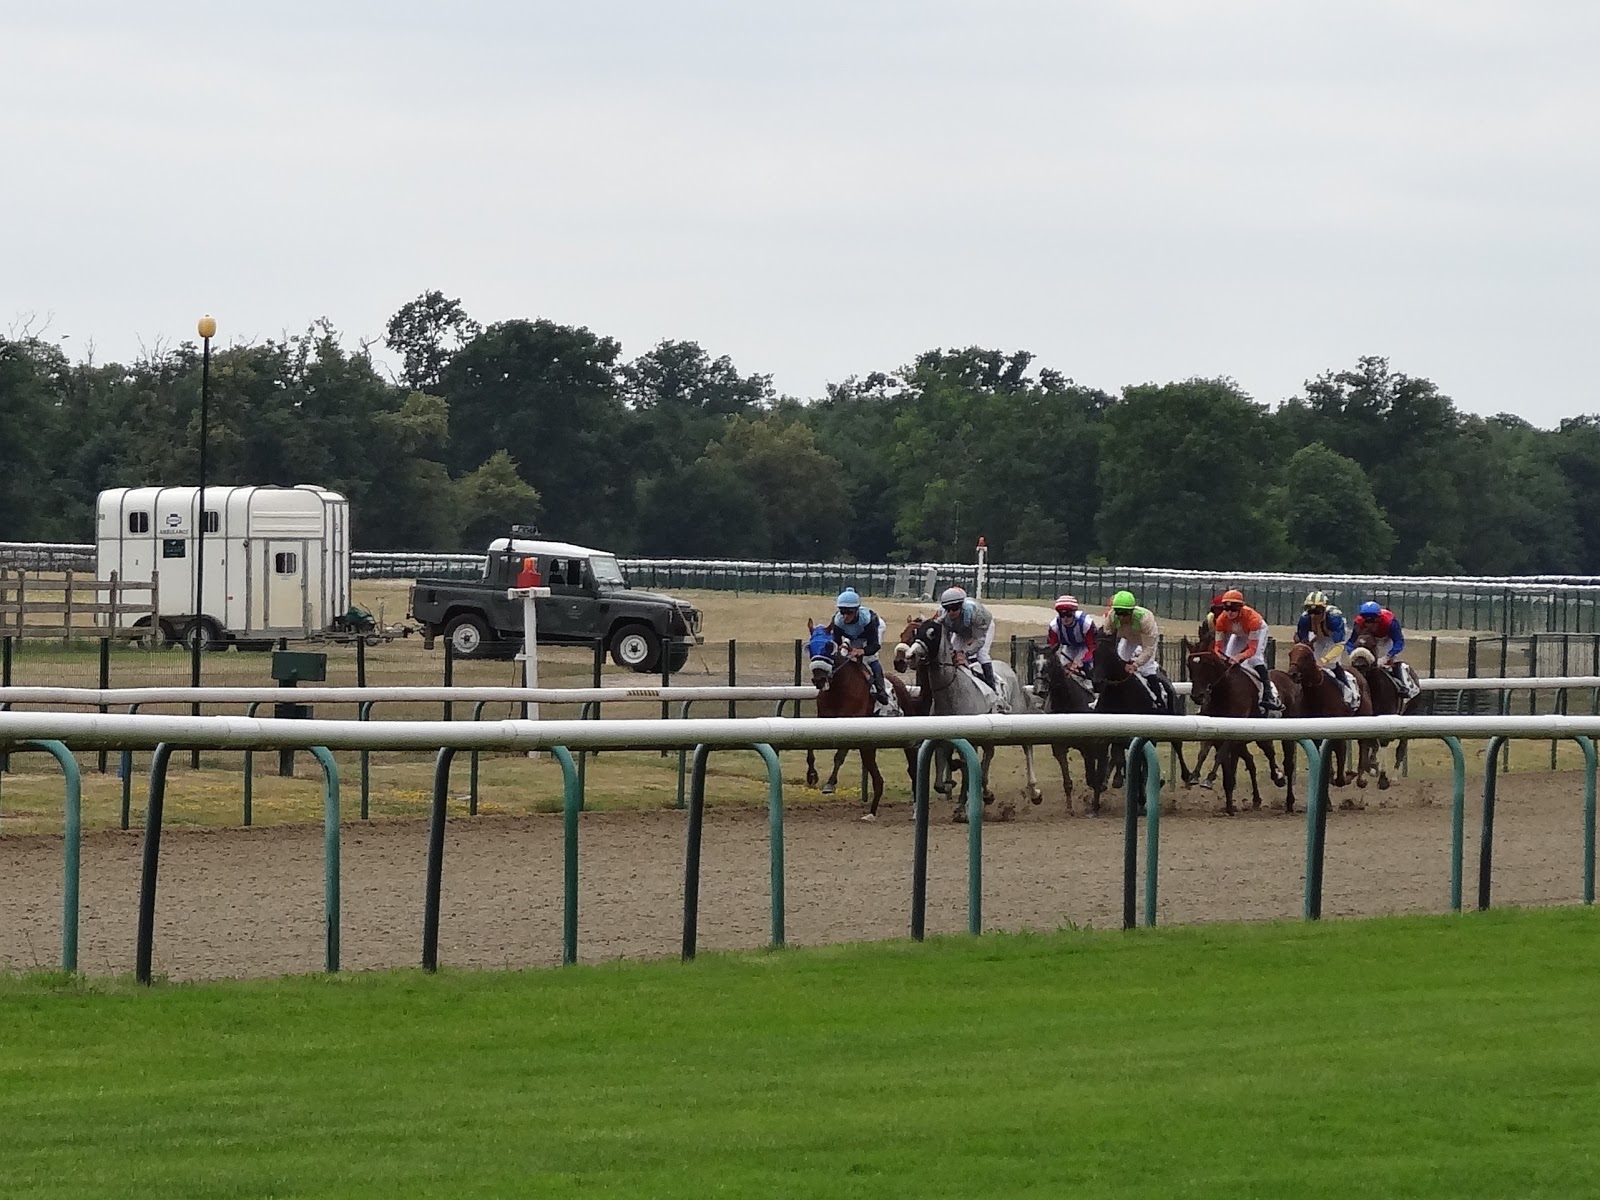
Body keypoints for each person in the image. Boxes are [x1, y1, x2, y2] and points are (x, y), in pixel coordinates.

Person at [1100, 589, 1177, 711]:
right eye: (1118, 612)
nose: (1121, 616)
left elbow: (1148, 649)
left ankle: (1159, 699)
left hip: (1145, 640)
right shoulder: (1111, 617)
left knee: (1147, 668)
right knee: (1119, 664)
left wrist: (1135, 665)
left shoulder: (1144, 619)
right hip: (1127, 638)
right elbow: (1107, 640)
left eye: (1125, 613)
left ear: (1132, 611)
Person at [1211, 589, 1281, 715]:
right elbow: (1218, 647)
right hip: (1239, 633)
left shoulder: (1253, 619)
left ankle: (1269, 693)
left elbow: (1252, 649)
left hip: (1256, 630)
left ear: (1240, 608)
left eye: (1233, 609)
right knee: (1227, 657)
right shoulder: (1221, 620)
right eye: (1226, 609)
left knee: (1255, 659)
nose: (1229, 613)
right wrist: (1222, 657)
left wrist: (1240, 656)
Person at [828, 588, 892, 710]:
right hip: (853, 635)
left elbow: (874, 645)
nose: (845, 617)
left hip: (872, 632)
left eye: (849, 613)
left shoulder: (869, 620)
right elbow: (836, 642)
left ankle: (881, 691)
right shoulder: (837, 621)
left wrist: (862, 651)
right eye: (842, 612)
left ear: (857, 610)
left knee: (870, 658)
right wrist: (843, 646)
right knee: (844, 655)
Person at [1295, 591, 1359, 710]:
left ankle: (1348, 692)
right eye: (1310, 611)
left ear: (1324, 610)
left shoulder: (1334, 618)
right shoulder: (1304, 618)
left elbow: (1339, 646)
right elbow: (1302, 641)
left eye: (1317, 611)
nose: (1313, 615)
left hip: (1333, 637)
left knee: (1331, 664)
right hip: (1317, 635)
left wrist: (1324, 660)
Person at [937, 585, 998, 692]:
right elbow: (944, 636)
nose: (951, 612)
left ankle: (992, 686)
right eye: (947, 609)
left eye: (954, 608)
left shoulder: (978, 614)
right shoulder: (942, 614)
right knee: (954, 655)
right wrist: (950, 650)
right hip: (961, 629)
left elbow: (979, 640)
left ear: (961, 606)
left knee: (981, 654)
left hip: (981, 629)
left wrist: (965, 653)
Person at [1348, 600, 1412, 691]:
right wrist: (1351, 653)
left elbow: (1399, 642)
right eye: (1367, 621)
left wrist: (1388, 656)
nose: (1369, 625)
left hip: (1386, 639)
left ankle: (1401, 685)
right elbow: (1350, 642)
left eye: (1373, 620)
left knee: (1388, 665)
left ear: (1379, 618)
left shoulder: (1390, 621)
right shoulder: (1358, 622)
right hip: (1368, 640)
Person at [1045, 594, 1095, 673]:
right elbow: (1051, 649)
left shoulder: (1086, 623)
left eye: (1068, 615)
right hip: (1068, 648)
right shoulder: (1054, 626)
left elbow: (1093, 648)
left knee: (1087, 669)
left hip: (1085, 647)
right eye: (1062, 615)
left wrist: (1083, 661)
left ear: (1074, 613)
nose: (1065, 619)